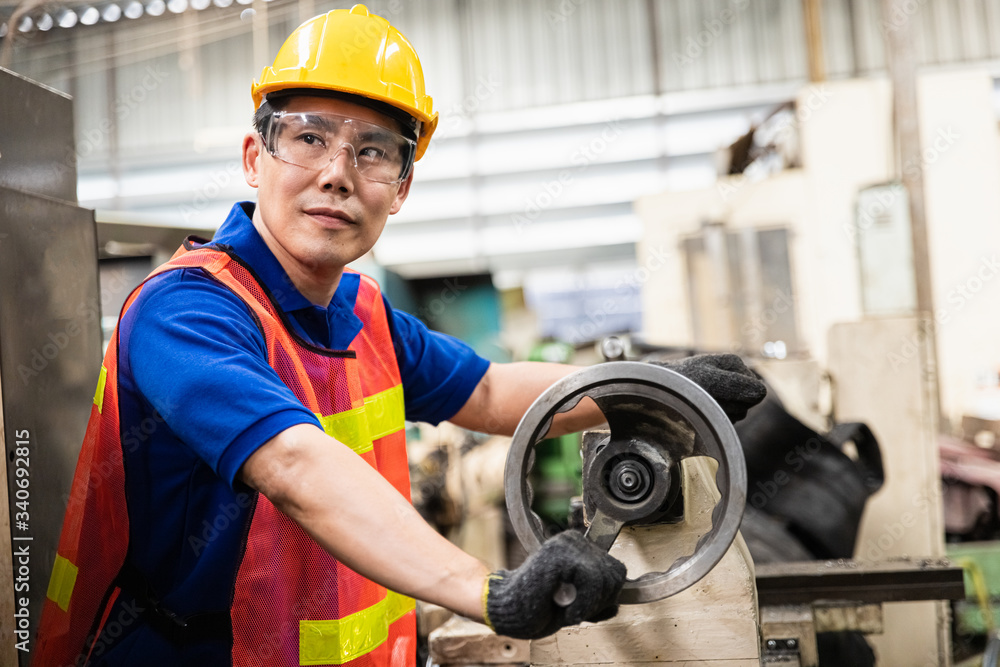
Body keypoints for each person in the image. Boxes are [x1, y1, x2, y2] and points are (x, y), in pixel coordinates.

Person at [33, 5, 765, 666]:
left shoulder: (365, 314)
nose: (337, 174)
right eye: (308, 137)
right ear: (256, 159)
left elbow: (487, 389)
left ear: (403, 187)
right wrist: (489, 590)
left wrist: (658, 387)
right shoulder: (185, 311)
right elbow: (293, 462)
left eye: (373, 150)